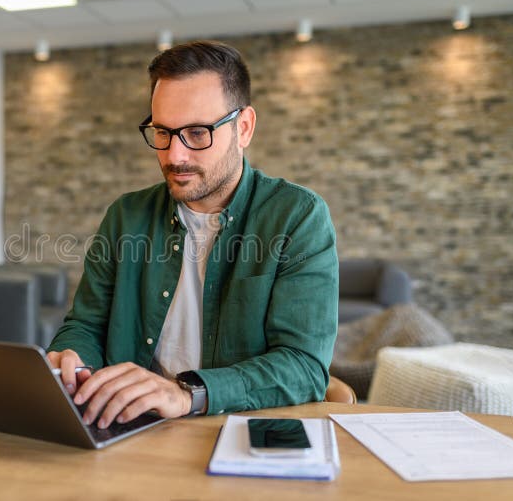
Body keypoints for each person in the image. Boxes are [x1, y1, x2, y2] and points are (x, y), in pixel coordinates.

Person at [46, 40, 338, 430]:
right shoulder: (125, 215)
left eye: (198, 133)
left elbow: (304, 367)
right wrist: (73, 360)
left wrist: (188, 393)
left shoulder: (297, 216)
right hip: (126, 427)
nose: (175, 156)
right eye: (162, 132)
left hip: (231, 427)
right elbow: (86, 325)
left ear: (244, 127)